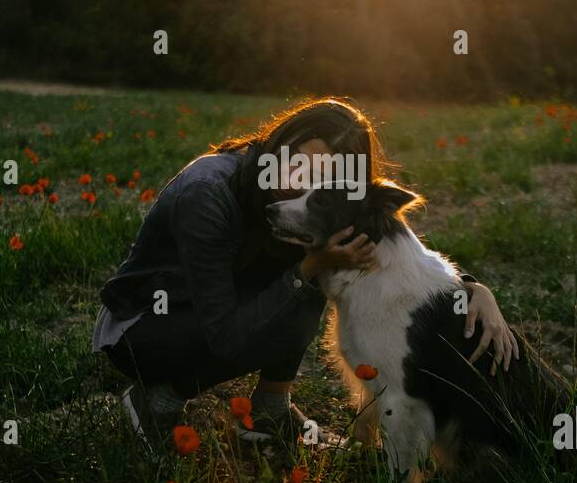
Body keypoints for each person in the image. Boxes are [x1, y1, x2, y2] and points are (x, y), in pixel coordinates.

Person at [92, 97, 518, 446]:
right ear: (285, 137)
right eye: (300, 164)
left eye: (321, 180)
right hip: (146, 328)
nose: (301, 183)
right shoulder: (207, 193)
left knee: (317, 269)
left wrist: (468, 287)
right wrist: (310, 266)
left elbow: (395, 251)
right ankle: (157, 404)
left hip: (220, 307)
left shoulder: (301, 205)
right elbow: (225, 335)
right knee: (307, 275)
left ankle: (270, 413)